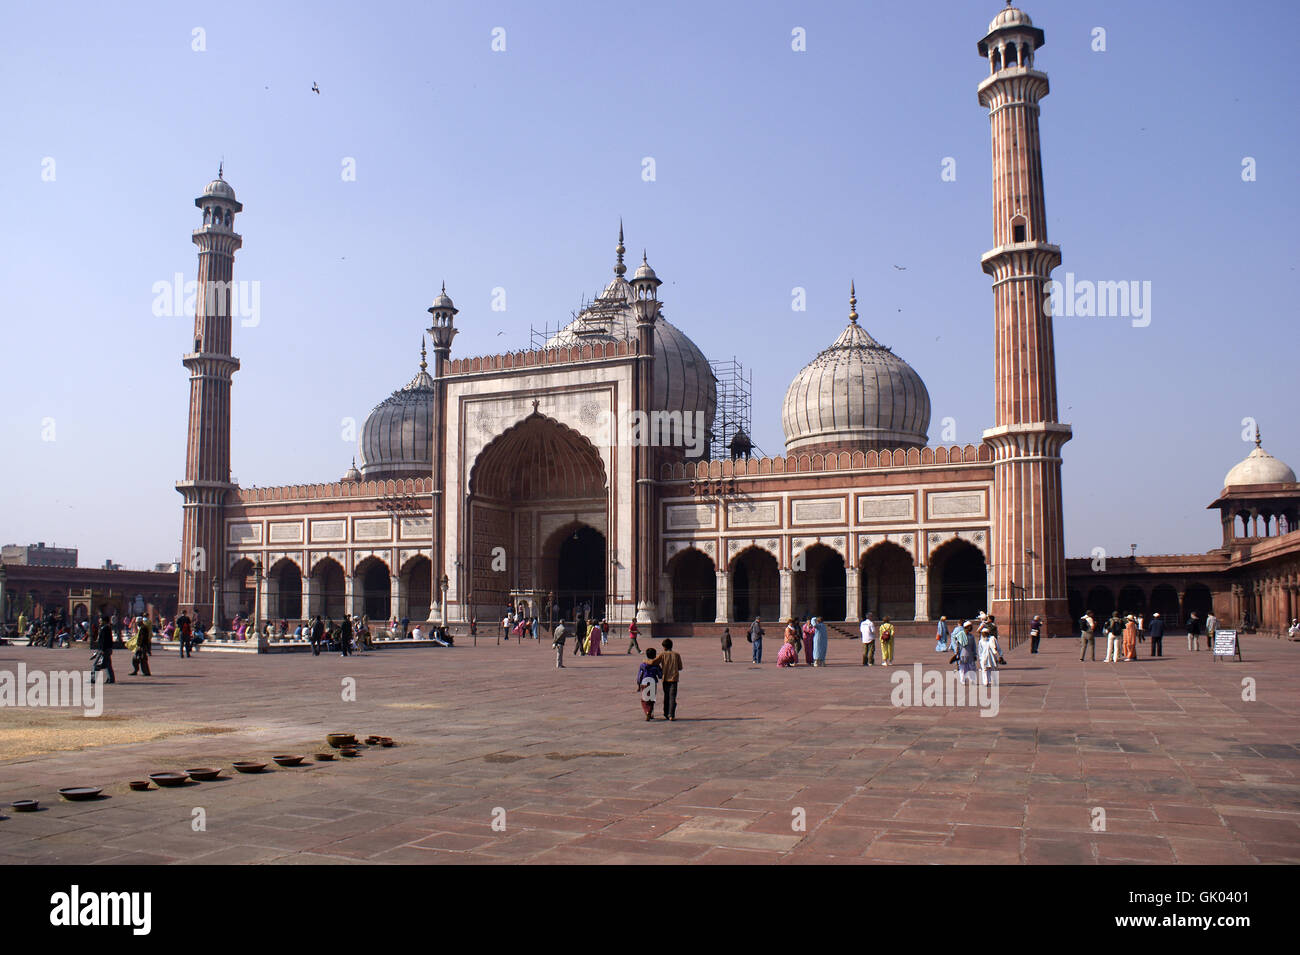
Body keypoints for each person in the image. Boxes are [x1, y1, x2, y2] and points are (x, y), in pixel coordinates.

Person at [656, 639, 683, 720]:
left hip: (665, 678)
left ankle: (666, 713)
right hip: (674, 679)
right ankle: (671, 714)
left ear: (664, 647)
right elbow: (680, 667)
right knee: (672, 697)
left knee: (666, 696)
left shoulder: (662, 654)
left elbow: (655, 662)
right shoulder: (676, 655)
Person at [636, 648, 662, 720]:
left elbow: (640, 675)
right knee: (652, 698)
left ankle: (647, 712)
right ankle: (650, 712)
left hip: (644, 682)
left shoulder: (643, 665)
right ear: (655, 656)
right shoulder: (656, 665)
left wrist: (638, 684)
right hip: (653, 681)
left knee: (645, 699)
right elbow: (660, 675)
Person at [91, 613, 115, 685]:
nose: (99, 622)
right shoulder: (107, 628)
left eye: (101, 620)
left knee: (96, 665)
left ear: (104, 621)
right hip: (107, 649)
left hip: (104, 650)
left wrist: (102, 650)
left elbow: (104, 641)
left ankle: (94, 678)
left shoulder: (105, 629)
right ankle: (111, 679)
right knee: (108, 665)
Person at [954, 620, 977, 685]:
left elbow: (974, 646)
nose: (971, 628)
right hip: (962, 654)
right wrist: (957, 653)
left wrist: (974, 654)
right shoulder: (960, 635)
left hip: (970, 654)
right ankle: (962, 679)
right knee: (962, 668)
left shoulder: (971, 636)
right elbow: (957, 645)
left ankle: (971, 679)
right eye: (970, 627)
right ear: (966, 627)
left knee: (971, 667)